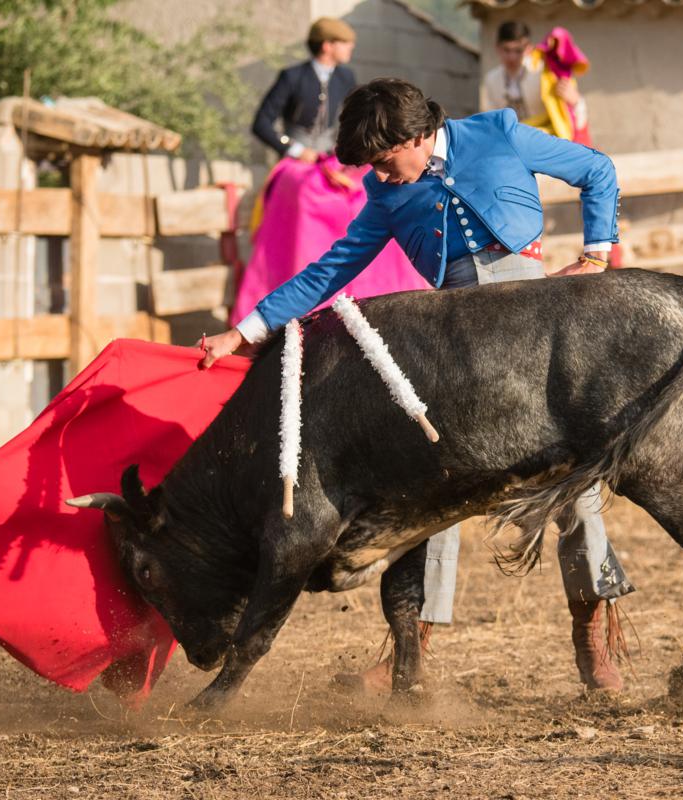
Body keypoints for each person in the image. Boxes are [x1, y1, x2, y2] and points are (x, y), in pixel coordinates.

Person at [202, 78, 632, 693]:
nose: (378, 175)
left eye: (383, 159)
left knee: (570, 482)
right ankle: (411, 651)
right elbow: (330, 269)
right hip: (453, 346)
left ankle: (593, 635)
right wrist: (243, 332)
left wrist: (594, 255)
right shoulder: (385, 194)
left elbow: (596, 170)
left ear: (415, 137)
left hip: (534, 329)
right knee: (432, 485)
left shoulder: (499, 133)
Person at [236, 18, 428, 325]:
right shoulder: (292, 76)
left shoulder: (346, 77)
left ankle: (375, 286)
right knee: (307, 190)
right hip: (297, 162)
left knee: (367, 190)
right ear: (328, 46)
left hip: (332, 158)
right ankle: (301, 277)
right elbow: (262, 123)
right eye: (345, 43)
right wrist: (296, 150)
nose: (351, 48)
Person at [481, 21, 592, 146]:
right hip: (510, 145)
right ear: (497, 48)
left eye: (518, 51)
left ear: (528, 48)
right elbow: (491, 120)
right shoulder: (491, 79)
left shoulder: (544, 74)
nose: (511, 57)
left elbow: (572, 110)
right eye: (506, 50)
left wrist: (575, 101)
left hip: (545, 142)